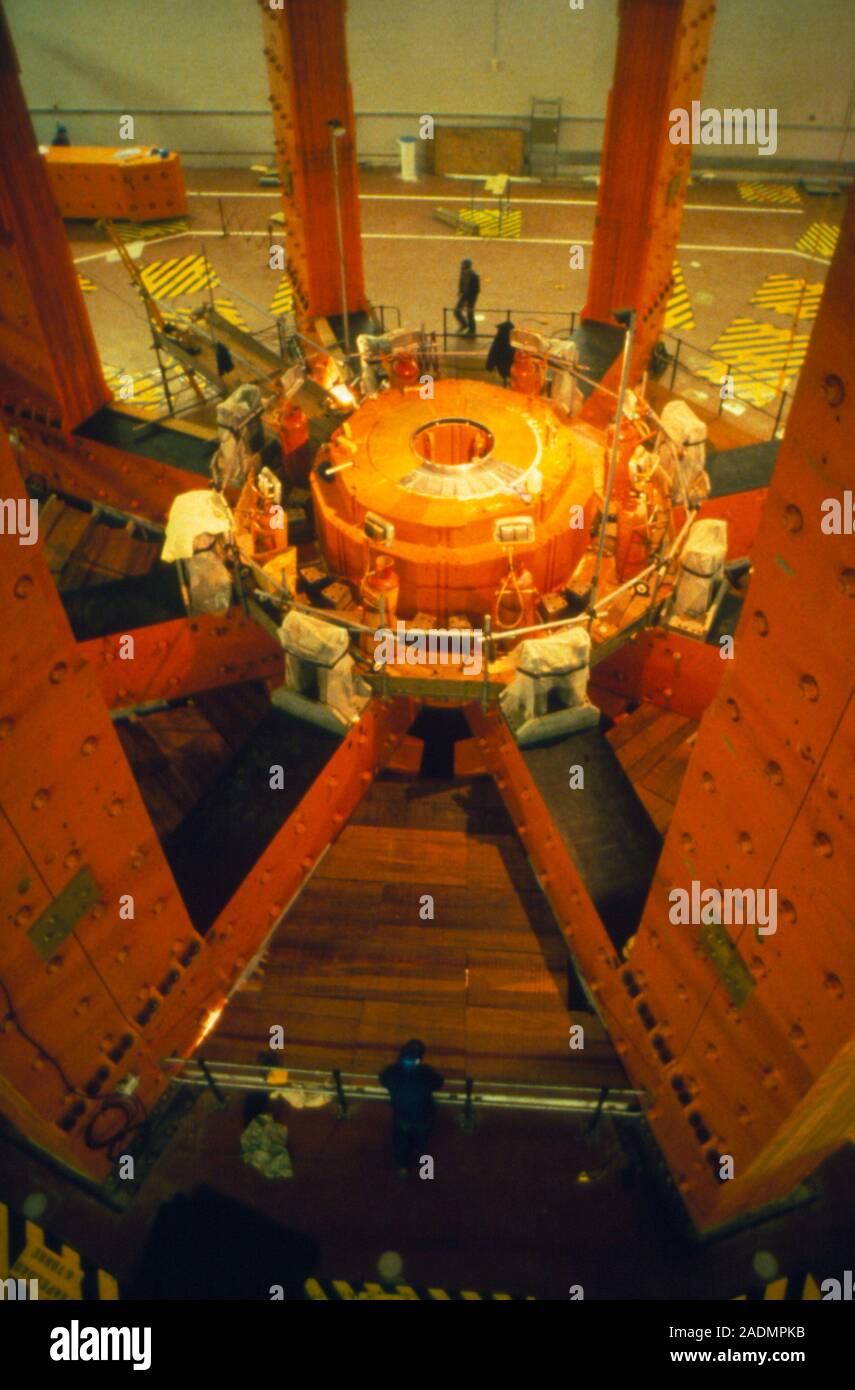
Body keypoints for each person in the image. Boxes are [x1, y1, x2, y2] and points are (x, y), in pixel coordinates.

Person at [379, 1039, 444, 1172]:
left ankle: (403, 1165)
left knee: (401, 1140)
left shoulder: (391, 1072)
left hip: (401, 1115)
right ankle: (421, 1161)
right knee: (421, 1139)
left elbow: (383, 1079)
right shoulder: (426, 1073)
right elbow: (439, 1083)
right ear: (418, 1059)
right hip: (423, 1115)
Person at [453, 258, 480, 337]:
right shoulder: (462, 273)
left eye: (464, 268)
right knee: (456, 311)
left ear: (468, 267)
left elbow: (476, 290)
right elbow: (461, 282)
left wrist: (468, 301)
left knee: (470, 313)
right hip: (464, 295)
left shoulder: (474, 276)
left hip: (471, 297)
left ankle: (472, 331)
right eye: (462, 268)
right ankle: (464, 324)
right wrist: (460, 291)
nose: (463, 269)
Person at [486, 320, 515, 385]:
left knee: (501, 383)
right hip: (512, 369)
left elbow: (493, 353)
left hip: (501, 367)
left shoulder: (499, 340)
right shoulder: (514, 341)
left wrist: (489, 366)